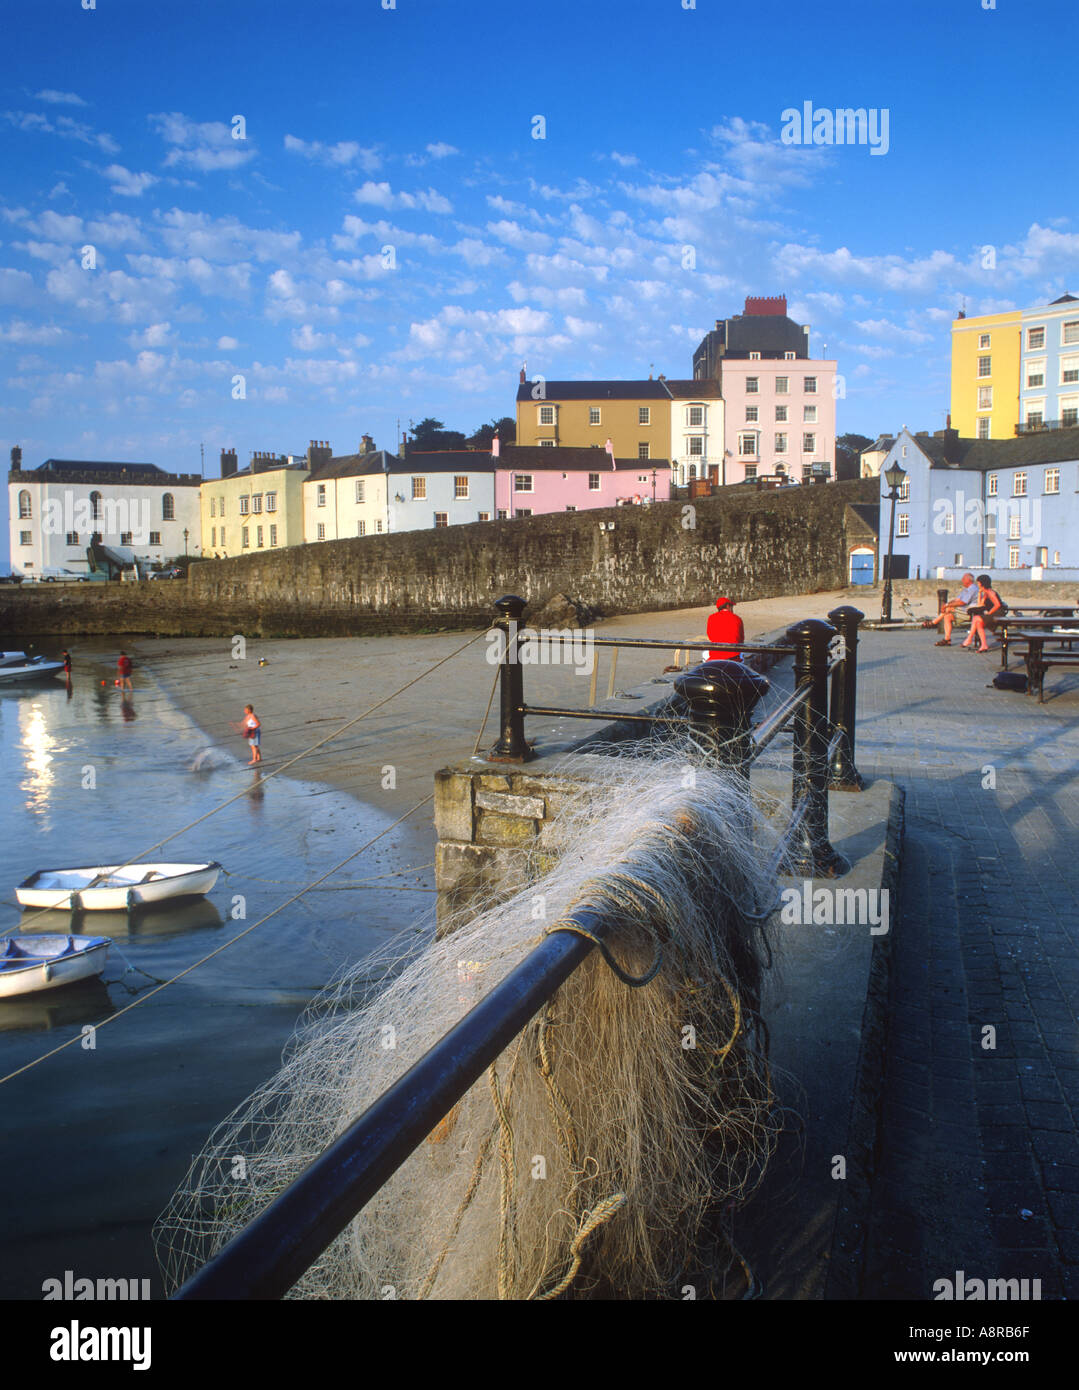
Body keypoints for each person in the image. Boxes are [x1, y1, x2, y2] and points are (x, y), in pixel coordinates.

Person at [928, 572, 978, 645]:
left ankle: (934, 622)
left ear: (968, 580)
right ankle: (947, 639)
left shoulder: (972, 589)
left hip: (971, 612)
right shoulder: (966, 589)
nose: (962, 580)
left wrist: (946, 606)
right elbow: (957, 600)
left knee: (949, 609)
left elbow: (962, 602)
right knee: (947, 616)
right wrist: (947, 604)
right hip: (964, 611)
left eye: (963, 579)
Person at [963, 575, 1007, 652]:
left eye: (979, 583)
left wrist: (989, 613)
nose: (978, 584)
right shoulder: (986, 592)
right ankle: (984, 645)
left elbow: (998, 605)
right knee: (978, 622)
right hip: (994, 612)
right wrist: (980, 593)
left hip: (998, 613)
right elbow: (980, 604)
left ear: (982, 583)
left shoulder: (990, 592)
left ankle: (969, 638)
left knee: (976, 618)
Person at [706, 596, 745, 661]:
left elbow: (710, 636)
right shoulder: (737, 618)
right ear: (727, 606)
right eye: (731, 606)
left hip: (716, 655)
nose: (732, 609)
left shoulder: (711, 618)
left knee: (705, 654)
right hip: (734, 656)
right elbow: (741, 639)